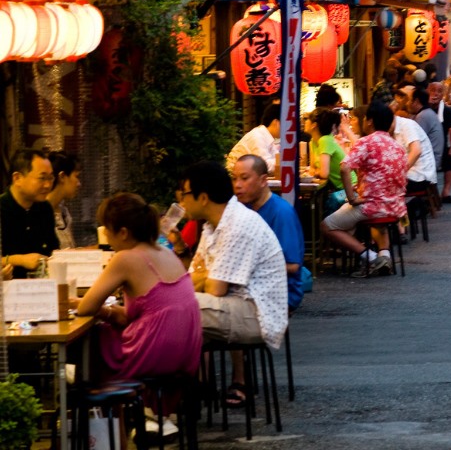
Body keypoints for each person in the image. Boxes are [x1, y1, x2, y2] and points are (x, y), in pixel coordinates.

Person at [180, 160, 287, 408]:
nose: (182, 202)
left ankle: (163, 402)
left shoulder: (238, 224)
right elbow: (193, 276)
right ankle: (182, 394)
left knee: (171, 307)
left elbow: (214, 288)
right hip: (233, 306)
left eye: (185, 194)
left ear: (203, 197)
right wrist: (206, 275)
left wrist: (205, 277)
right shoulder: (211, 227)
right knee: (172, 306)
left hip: (257, 314)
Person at [76, 193, 202, 381]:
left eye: (107, 231)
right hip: (185, 354)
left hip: (152, 353)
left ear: (123, 233)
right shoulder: (167, 252)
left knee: (85, 341)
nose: (107, 238)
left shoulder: (125, 258)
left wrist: (92, 308)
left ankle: (92, 405)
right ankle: (123, 408)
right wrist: (111, 313)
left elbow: (86, 307)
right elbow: (153, 310)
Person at [322, 103, 408, 276]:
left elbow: (345, 168)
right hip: (395, 207)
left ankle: (370, 258)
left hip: (371, 207)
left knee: (327, 226)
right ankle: (385, 257)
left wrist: (352, 198)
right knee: (379, 225)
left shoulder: (366, 142)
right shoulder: (397, 146)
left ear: (369, 121)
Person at [232, 155, 305, 311]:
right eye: (234, 178)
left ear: (263, 180)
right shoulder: (245, 208)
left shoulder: (281, 212)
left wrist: (244, 267)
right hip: (252, 286)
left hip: (280, 293)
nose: (237, 185)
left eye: (244, 178)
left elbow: (292, 266)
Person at [1, 149, 58, 279]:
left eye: (51, 178)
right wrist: (19, 260)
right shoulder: (2, 208)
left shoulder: (45, 208)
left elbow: (53, 251)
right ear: (17, 178)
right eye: (42, 178)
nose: (48, 185)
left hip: (42, 288)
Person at [426, 82, 451, 203]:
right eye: (432, 90)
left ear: (443, 95)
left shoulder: (447, 111)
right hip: (425, 146)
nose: (435, 94)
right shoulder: (422, 109)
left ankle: (446, 192)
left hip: (442, 145)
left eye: (439, 91)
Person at [306, 107, 347, 211]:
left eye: (307, 119)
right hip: (334, 189)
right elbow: (312, 168)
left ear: (313, 125)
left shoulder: (325, 140)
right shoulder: (313, 142)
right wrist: (314, 171)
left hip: (348, 189)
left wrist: (314, 172)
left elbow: (324, 173)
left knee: (325, 206)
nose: (305, 121)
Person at [225, 102, 281, 175]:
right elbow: (265, 166)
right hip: (235, 180)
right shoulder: (257, 136)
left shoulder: (267, 137)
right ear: (276, 123)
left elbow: (276, 160)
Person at [46, 150, 80, 249]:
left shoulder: (64, 211)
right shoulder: (39, 213)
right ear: (62, 177)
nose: (79, 184)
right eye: (76, 176)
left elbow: (69, 252)